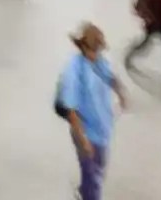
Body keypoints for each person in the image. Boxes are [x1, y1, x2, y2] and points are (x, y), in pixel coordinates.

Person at [58, 23, 127, 200]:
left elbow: (110, 76)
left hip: (102, 130)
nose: (97, 54)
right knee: (93, 181)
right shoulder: (74, 70)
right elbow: (71, 109)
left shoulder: (99, 61)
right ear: (83, 47)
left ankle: (83, 191)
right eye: (94, 50)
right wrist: (83, 140)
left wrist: (121, 92)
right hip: (85, 132)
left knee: (98, 172)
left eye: (99, 50)